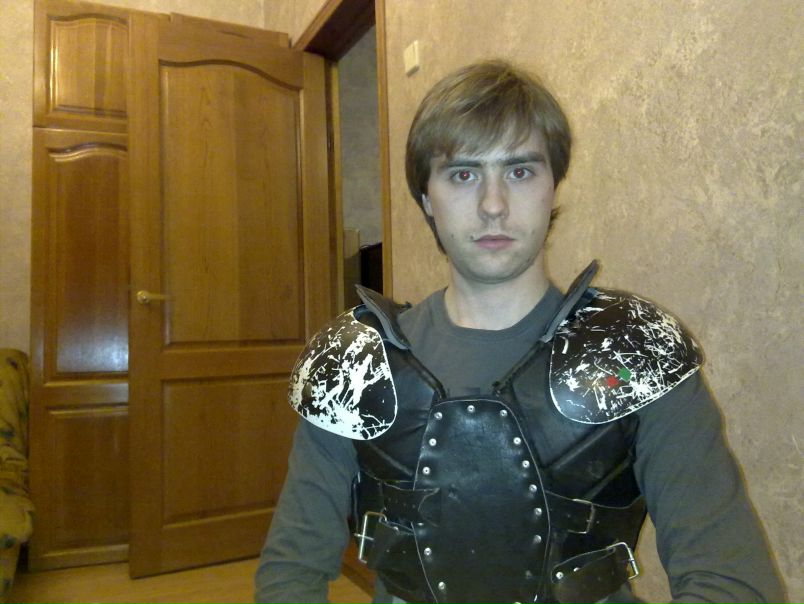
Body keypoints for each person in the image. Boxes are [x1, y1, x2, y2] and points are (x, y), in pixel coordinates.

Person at [255, 60, 784, 604]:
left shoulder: (637, 351)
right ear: (426, 199)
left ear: (553, 187)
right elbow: (290, 572)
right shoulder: (353, 363)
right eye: (463, 174)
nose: (493, 205)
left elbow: (733, 583)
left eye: (520, 171)